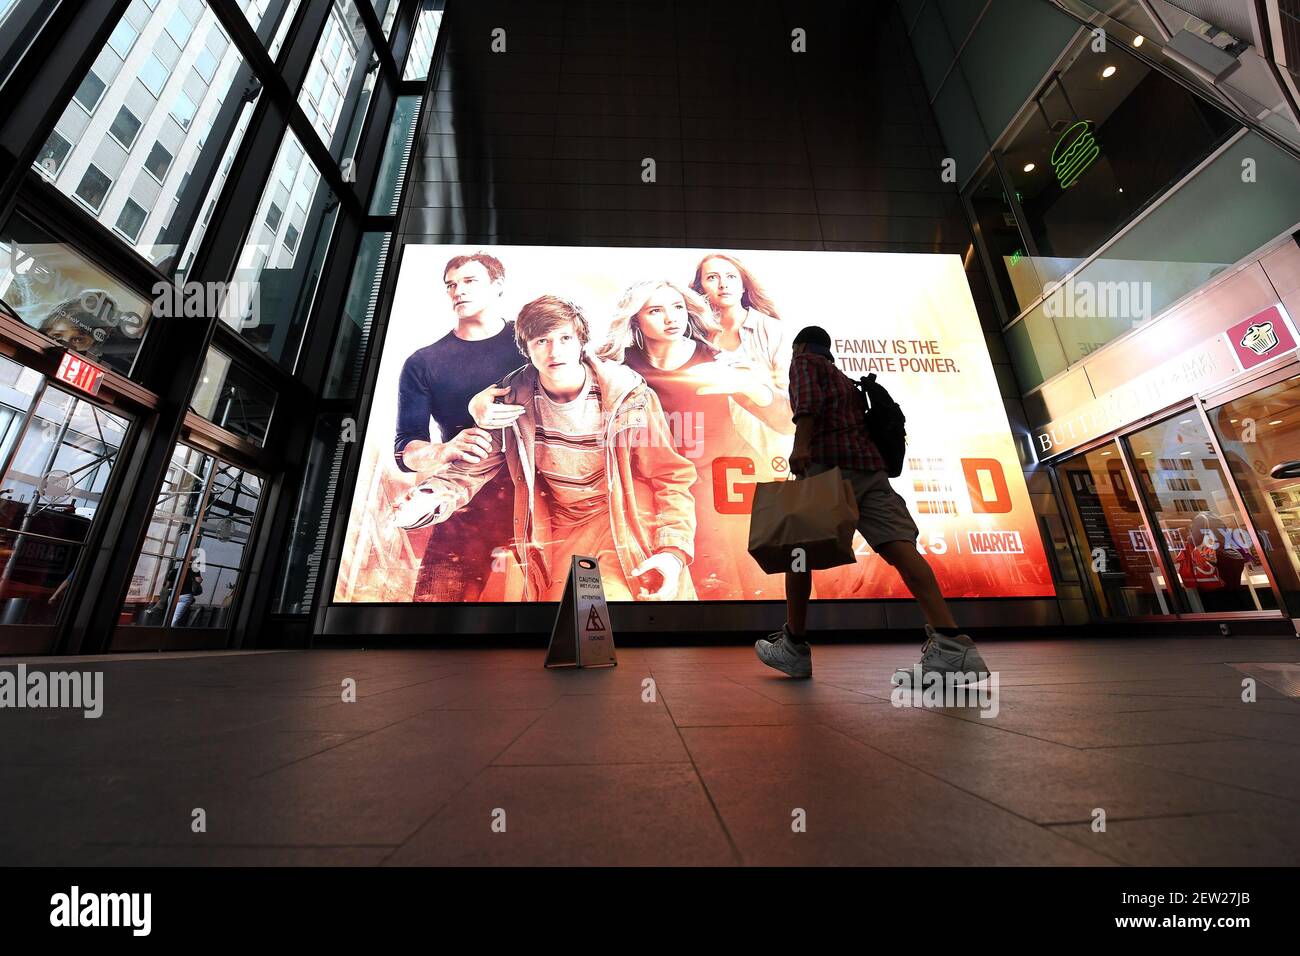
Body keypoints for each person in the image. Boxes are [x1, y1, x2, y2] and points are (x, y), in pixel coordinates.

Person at [398, 295, 699, 602]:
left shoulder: (629, 397)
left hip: (625, 516)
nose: (555, 351)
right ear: (526, 349)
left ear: (581, 342)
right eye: (542, 341)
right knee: (567, 622)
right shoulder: (511, 401)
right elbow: (470, 468)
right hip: (563, 526)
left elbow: (669, 477)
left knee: (613, 611)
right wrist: (429, 496)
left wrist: (672, 551)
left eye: (565, 338)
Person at [753, 325, 989, 682]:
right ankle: (953, 644)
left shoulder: (804, 363)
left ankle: (794, 645)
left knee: (796, 553)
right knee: (901, 549)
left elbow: (806, 407)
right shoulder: (847, 381)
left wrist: (800, 447)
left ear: (800, 346)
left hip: (827, 473)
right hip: (869, 472)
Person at [595, 279, 774, 598]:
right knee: (705, 588)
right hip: (669, 489)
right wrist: (479, 402)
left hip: (727, 483)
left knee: (760, 582)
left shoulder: (717, 361)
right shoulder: (620, 371)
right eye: (656, 310)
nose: (671, 318)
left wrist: (752, 387)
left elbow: (784, 421)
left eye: (677, 307)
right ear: (636, 318)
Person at [393, 252, 525, 601]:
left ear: (498, 286)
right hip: (465, 507)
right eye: (451, 284)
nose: (458, 291)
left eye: (469, 281)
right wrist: (445, 449)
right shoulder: (424, 363)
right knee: (434, 611)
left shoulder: (533, 345)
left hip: (541, 497)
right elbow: (406, 449)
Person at [691, 253, 795, 475]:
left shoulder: (771, 329)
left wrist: (754, 380)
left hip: (773, 449)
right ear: (700, 289)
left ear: (743, 285)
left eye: (730, 276)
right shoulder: (694, 335)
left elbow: (791, 400)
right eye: (712, 277)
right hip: (716, 456)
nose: (723, 284)